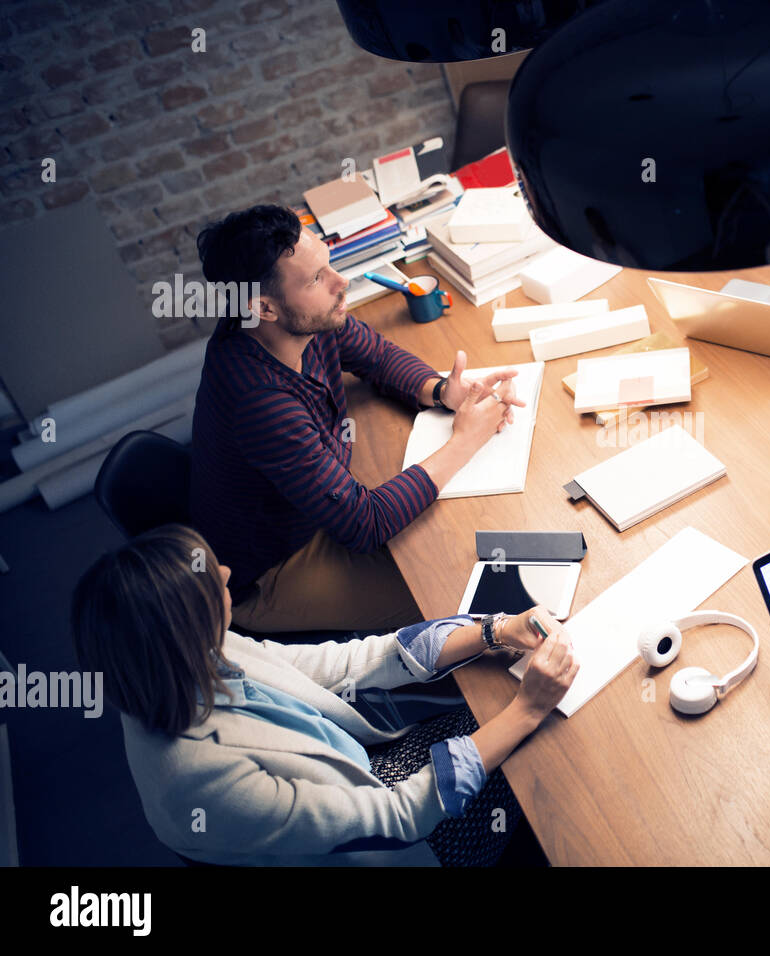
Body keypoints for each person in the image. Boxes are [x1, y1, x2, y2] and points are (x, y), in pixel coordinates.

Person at [70, 524, 578, 866]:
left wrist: (494, 629)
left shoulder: (186, 655)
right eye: (208, 583)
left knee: (506, 727)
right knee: (550, 770)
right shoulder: (200, 779)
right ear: (181, 633)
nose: (224, 572)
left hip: (365, 772)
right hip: (395, 840)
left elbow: (347, 663)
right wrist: (527, 709)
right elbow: (398, 818)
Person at [191, 204, 525, 633]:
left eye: (328, 264)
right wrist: (465, 440)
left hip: (316, 512)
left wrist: (442, 390)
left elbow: (376, 355)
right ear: (266, 309)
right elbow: (363, 524)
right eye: (316, 279)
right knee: (456, 590)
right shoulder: (259, 402)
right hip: (275, 568)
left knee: (464, 544)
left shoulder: (302, 322)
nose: (340, 282)